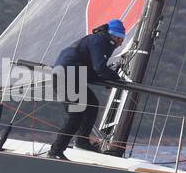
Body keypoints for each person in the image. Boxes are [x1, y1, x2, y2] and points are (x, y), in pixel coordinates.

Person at [46, 19, 127, 160]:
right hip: (66, 75)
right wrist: (116, 78)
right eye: (120, 39)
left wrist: (108, 78)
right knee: (76, 113)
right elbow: (99, 68)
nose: (121, 43)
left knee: (92, 105)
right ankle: (55, 151)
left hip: (70, 74)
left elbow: (93, 69)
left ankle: (82, 141)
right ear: (113, 36)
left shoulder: (98, 40)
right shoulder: (101, 40)